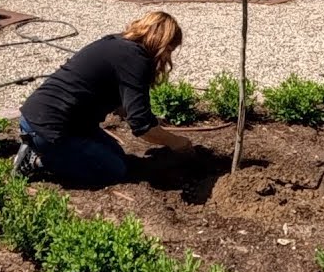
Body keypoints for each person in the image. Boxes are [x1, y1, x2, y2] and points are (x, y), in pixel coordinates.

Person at [14, 11, 194, 185]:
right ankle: (37, 160)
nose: (168, 57)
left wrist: (149, 120)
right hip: (49, 127)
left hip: (53, 119)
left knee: (117, 156)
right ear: (162, 43)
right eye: (170, 50)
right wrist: (177, 143)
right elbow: (141, 126)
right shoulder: (135, 59)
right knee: (112, 170)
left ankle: (45, 148)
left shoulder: (118, 44)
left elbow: (126, 103)